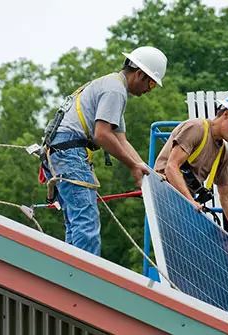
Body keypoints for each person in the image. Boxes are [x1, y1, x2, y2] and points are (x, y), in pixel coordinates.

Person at [41, 46, 168, 256]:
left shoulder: (113, 86)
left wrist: (145, 171)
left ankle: (72, 274)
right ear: (139, 74)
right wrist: (132, 165)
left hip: (60, 151)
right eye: (152, 83)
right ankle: (84, 280)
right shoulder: (114, 90)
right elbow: (102, 135)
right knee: (86, 222)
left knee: (77, 223)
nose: (150, 90)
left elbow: (121, 140)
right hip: (68, 152)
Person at [154, 91, 228, 260]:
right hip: (164, 197)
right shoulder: (196, 128)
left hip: (184, 207)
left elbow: (226, 195)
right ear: (226, 114)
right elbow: (171, 167)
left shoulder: (222, 153)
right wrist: (190, 201)